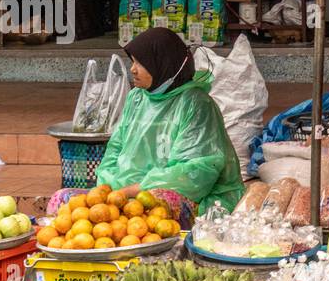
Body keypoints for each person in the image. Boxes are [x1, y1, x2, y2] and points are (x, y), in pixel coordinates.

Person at [94, 27, 245, 217]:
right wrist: (106, 187)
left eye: (140, 63)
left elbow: (197, 171)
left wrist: (133, 191)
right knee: (64, 198)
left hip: (189, 196)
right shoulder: (137, 98)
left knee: (157, 208)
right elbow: (115, 148)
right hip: (127, 194)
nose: (132, 69)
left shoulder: (195, 103)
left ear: (162, 64)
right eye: (132, 62)